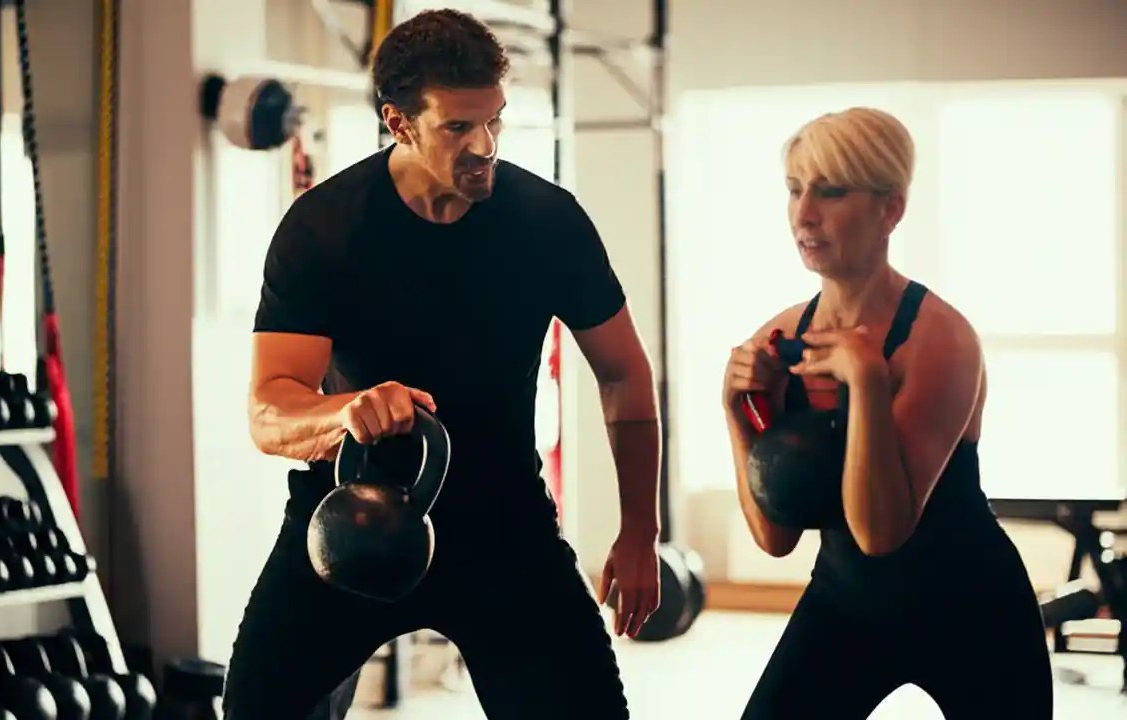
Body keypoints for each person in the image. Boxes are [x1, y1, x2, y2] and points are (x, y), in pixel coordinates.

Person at [222, 9, 662, 719]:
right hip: (349, 521)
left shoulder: (547, 222)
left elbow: (623, 373)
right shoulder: (325, 228)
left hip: (501, 523)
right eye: (458, 127)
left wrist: (640, 529)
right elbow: (269, 409)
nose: (484, 145)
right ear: (398, 123)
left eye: (494, 121)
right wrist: (345, 413)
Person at [723, 107, 1053, 719]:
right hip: (846, 606)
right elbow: (775, 537)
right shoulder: (780, 337)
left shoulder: (941, 339)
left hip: (972, 611)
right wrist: (735, 412)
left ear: (890, 210)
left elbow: (881, 534)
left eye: (831, 191)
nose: (804, 213)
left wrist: (868, 382)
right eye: (795, 190)